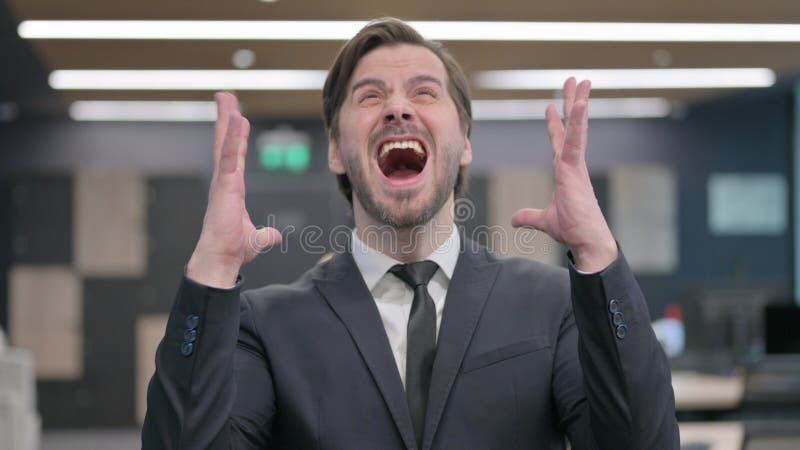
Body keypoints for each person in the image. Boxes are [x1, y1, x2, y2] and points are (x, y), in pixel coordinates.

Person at [142, 17, 679, 450]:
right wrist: (212, 269)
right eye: (370, 96)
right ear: (336, 150)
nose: (398, 108)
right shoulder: (265, 325)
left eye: (424, 92)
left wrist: (596, 253)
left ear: (464, 140)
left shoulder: (552, 304)